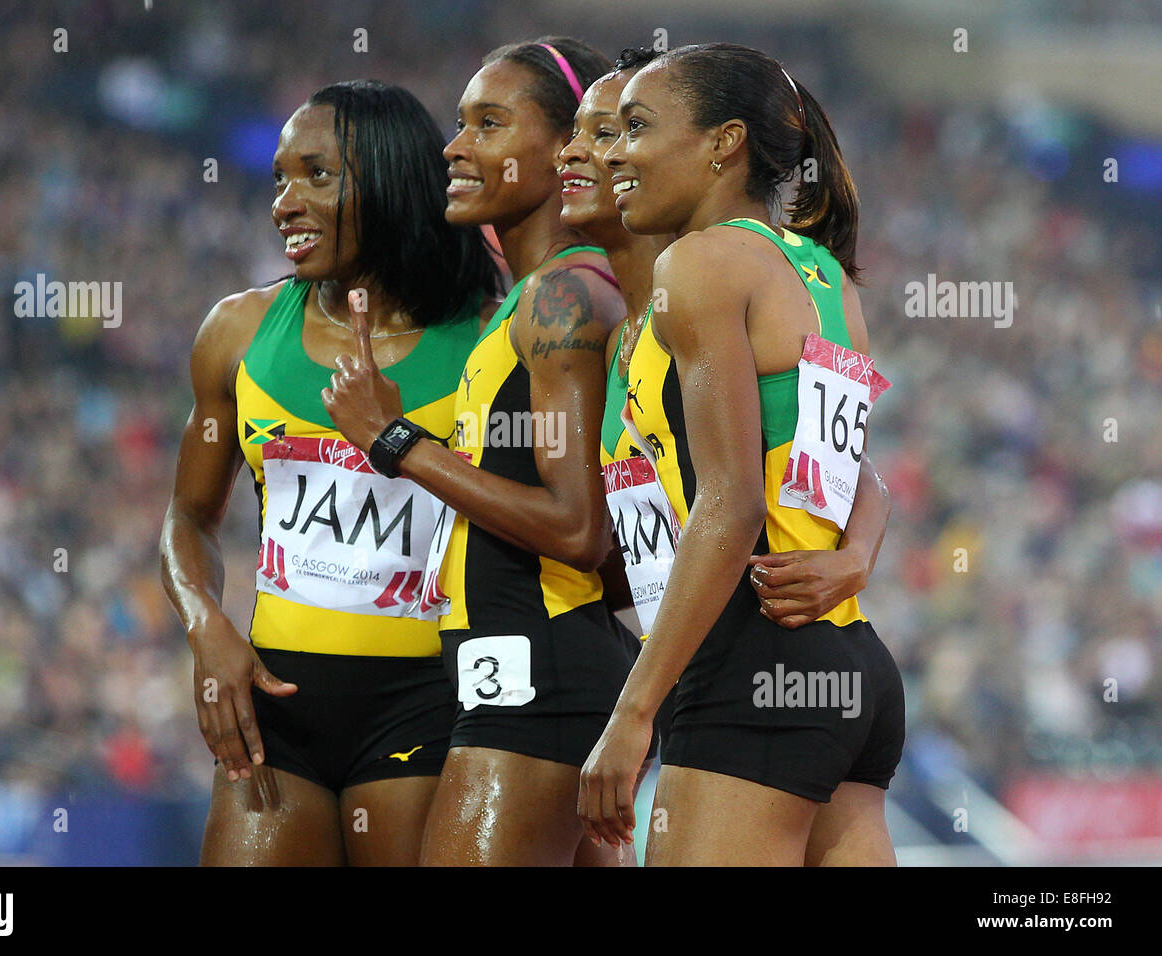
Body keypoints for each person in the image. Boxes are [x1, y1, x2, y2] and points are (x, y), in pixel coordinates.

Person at [578, 44, 905, 866]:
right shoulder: (822, 273)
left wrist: (632, 711)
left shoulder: (701, 264)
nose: (617, 152)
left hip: (749, 662)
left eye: (638, 128)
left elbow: (733, 504)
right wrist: (856, 557)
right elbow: (851, 468)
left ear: (724, 143)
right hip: (849, 665)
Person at [160, 80, 500, 866]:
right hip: (275, 708)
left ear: (387, 178)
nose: (285, 201)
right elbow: (187, 518)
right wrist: (207, 627)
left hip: (426, 704)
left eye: (317, 174)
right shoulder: (238, 332)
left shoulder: (490, 339)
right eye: (279, 178)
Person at [323, 37, 644, 866]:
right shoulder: (534, 302)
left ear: (566, 148)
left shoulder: (564, 298)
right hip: (532, 667)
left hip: (533, 674)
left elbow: (578, 530)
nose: (455, 148)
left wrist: (395, 441)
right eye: (460, 125)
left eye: (489, 124)